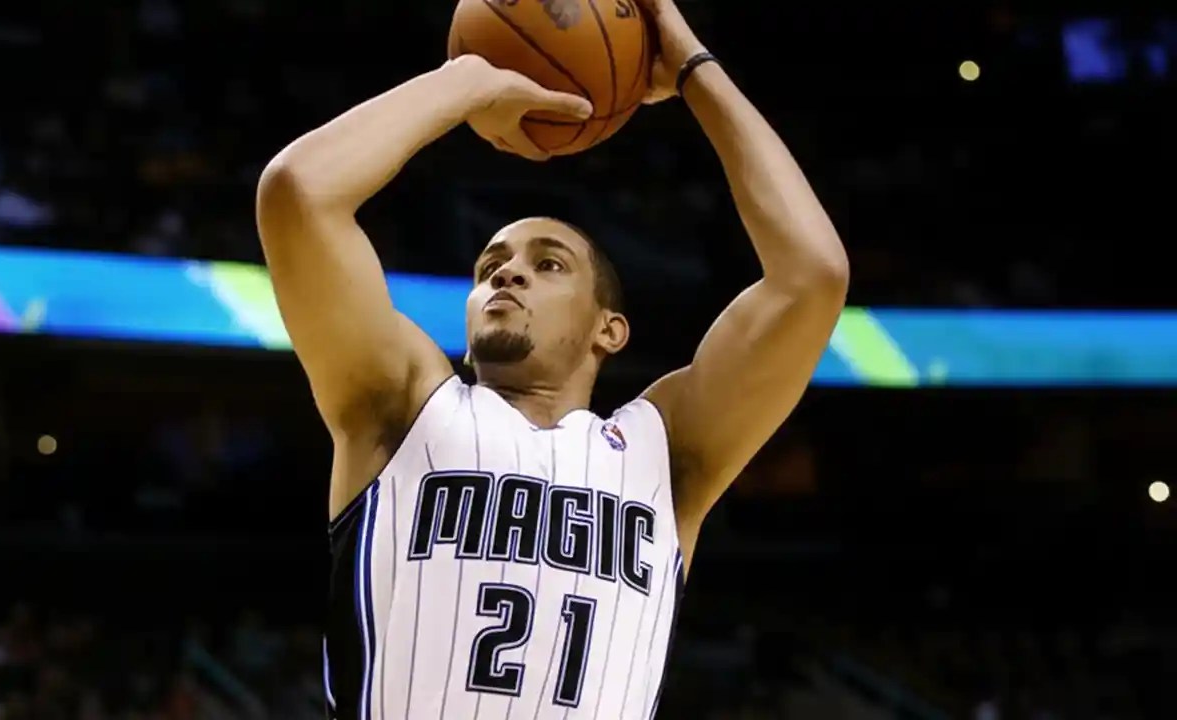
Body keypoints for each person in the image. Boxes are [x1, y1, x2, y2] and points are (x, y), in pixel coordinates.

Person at [255, 0, 848, 717]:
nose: (507, 275)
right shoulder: (401, 403)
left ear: (610, 330)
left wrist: (692, 66)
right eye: (490, 265)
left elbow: (812, 276)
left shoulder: (664, 451)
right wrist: (467, 80)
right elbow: (298, 193)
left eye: (548, 264)